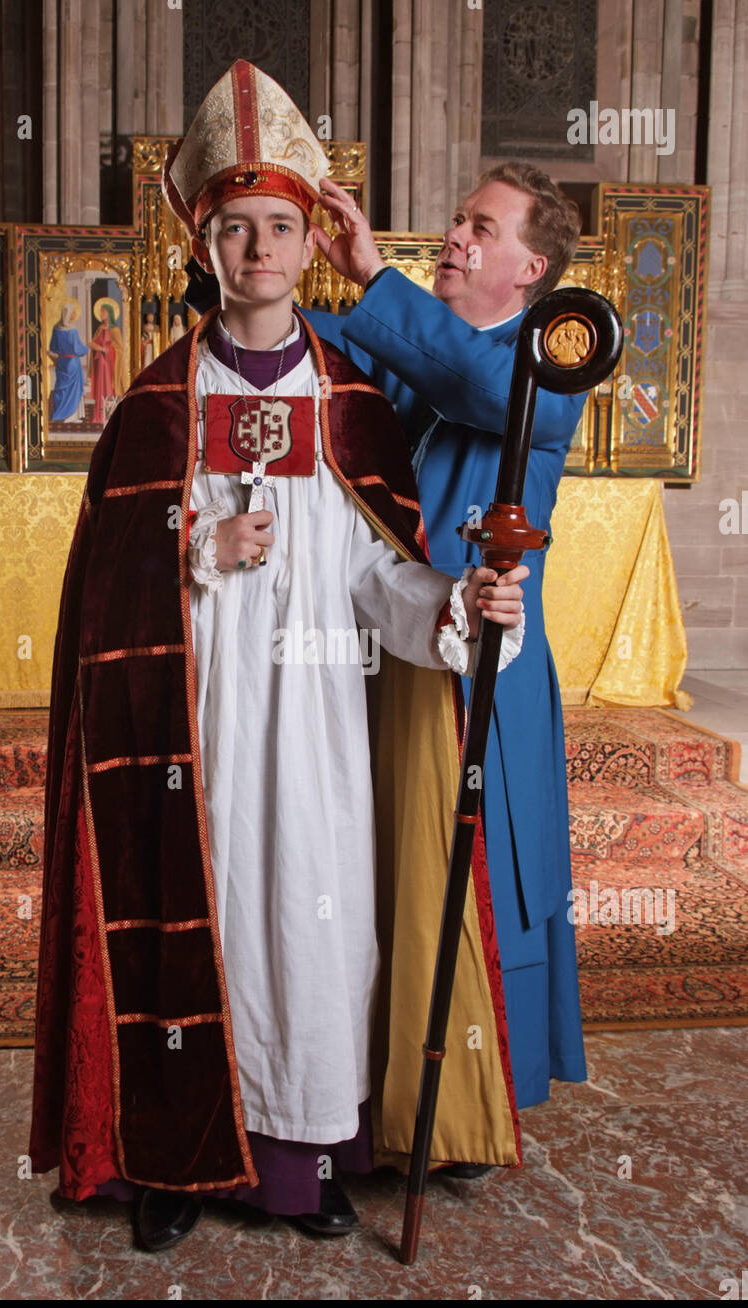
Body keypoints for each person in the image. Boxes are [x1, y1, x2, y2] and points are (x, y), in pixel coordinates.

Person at [28, 61, 528, 1251]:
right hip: (189, 731)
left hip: (315, 734)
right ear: (201, 245)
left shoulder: (352, 402)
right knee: (188, 917)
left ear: (311, 242)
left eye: (281, 227)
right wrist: (188, 546)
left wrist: (458, 605)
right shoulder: (154, 406)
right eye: (235, 228)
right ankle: (168, 1156)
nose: (259, 247)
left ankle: (299, 1160)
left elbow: (375, 580)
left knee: (311, 926)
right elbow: (101, 604)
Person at [306, 163, 588, 1115]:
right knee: (381, 860)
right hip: (384, 640)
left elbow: (475, 383)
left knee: (486, 872)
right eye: (456, 216)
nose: (456, 236)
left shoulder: (547, 373)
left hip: (485, 666)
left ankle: (475, 1087)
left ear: (530, 265)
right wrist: (251, 265)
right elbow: (307, 350)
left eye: (480, 225)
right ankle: (370, 1072)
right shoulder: (408, 341)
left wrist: (372, 276)